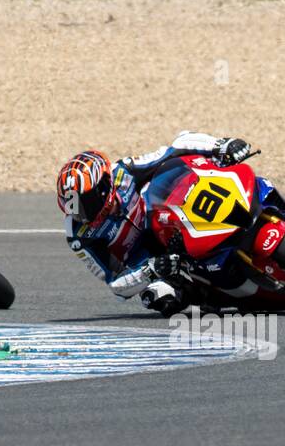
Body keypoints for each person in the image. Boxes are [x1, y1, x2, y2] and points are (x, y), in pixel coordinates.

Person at [56, 131, 255, 315]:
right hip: (148, 259)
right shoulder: (78, 235)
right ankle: (211, 293)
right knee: (160, 298)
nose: (80, 214)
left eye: (86, 203)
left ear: (104, 186)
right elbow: (116, 286)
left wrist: (220, 146)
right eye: (73, 207)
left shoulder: (124, 172)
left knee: (204, 168)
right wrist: (152, 268)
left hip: (167, 217)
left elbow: (175, 148)